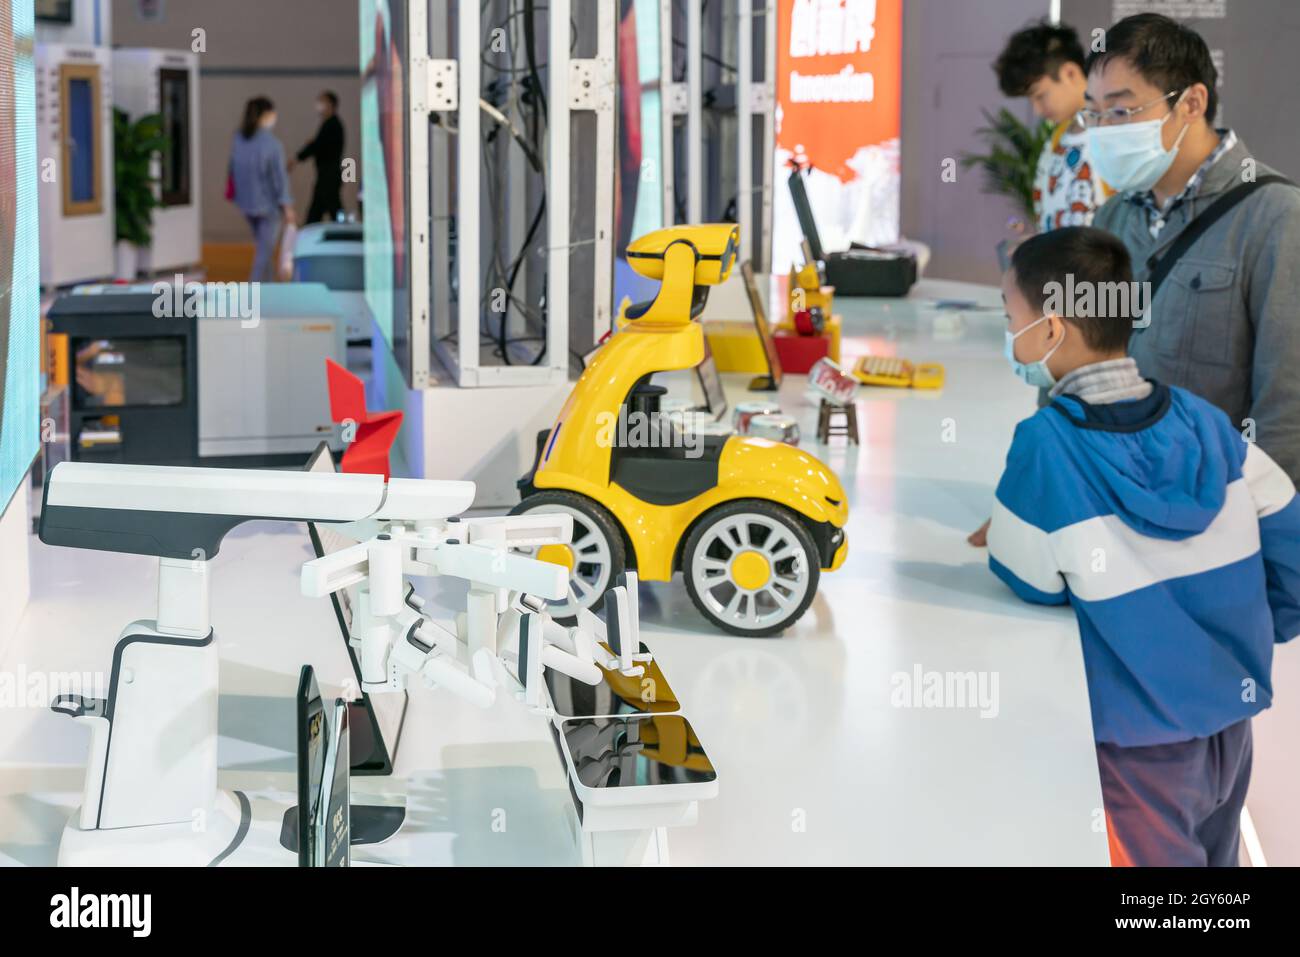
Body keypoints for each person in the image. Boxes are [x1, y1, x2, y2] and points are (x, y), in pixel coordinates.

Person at [986, 226, 1300, 866]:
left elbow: (1029, 579)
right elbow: (1291, 551)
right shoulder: (1205, 420)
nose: (1007, 332)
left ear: (1051, 330)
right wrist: (1228, 640)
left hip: (1137, 746)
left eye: (1008, 316)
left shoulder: (1044, 445)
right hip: (1228, 724)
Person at [1082, 14, 1300, 481]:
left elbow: (1287, 402)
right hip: (1115, 493)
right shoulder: (1113, 218)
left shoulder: (1276, 216)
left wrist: (1261, 522)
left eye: (1121, 111)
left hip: (1218, 508)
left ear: (1192, 103)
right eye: (1093, 113)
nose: (1102, 130)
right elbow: (1081, 361)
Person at [994, 20, 1108, 232]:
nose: (1037, 110)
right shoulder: (1057, 140)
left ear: (1070, 73)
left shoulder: (1116, 135)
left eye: (1040, 96)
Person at [229, 96, 295, 282]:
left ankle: (267, 290)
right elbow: (279, 179)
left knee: (264, 249)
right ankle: (254, 295)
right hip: (268, 207)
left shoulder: (239, 139)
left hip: (246, 204)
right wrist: (287, 207)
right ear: (266, 115)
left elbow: (233, 169)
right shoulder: (272, 144)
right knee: (263, 255)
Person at [290, 90, 345, 224]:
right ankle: (312, 232)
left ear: (331, 104)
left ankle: (344, 231)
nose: (319, 105)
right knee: (319, 210)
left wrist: (297, 158)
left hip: (329, 175)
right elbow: (320, 145)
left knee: (332, 209)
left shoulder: (333, 124)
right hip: (325, 174)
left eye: (322, 102)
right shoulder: (328, 124)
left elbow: (318, 146)